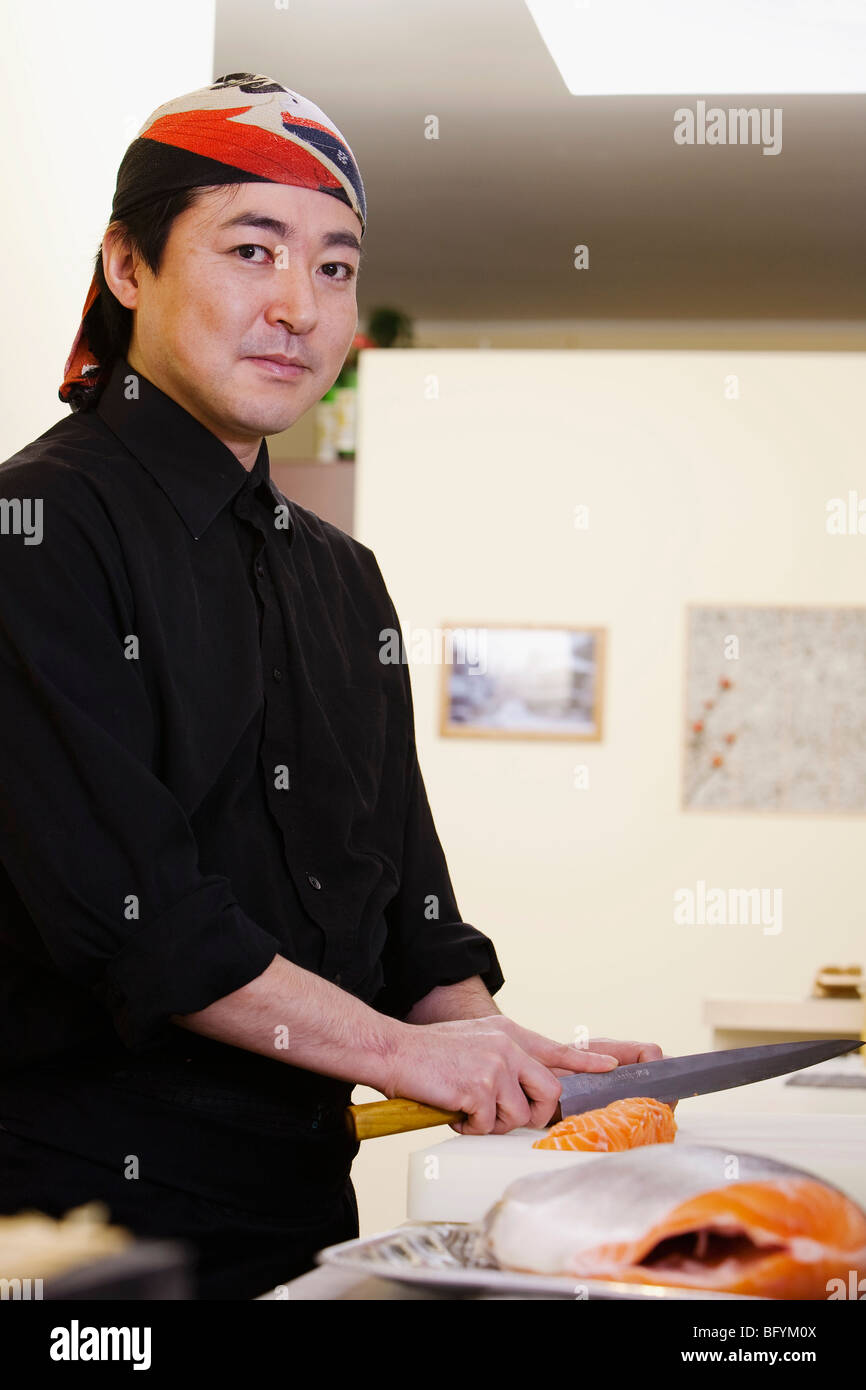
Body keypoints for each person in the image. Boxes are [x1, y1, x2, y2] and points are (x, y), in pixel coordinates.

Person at [0, 72, 664, 1299]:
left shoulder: (344, 579)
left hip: (306, 1215)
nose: (297, 307)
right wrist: (415, 1059)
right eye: (252, 249)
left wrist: (498, 1042)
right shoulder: (34, 532)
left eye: (336, 267)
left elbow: (406, 904)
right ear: (128, 266)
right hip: (86, 1234)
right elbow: (144, 927)